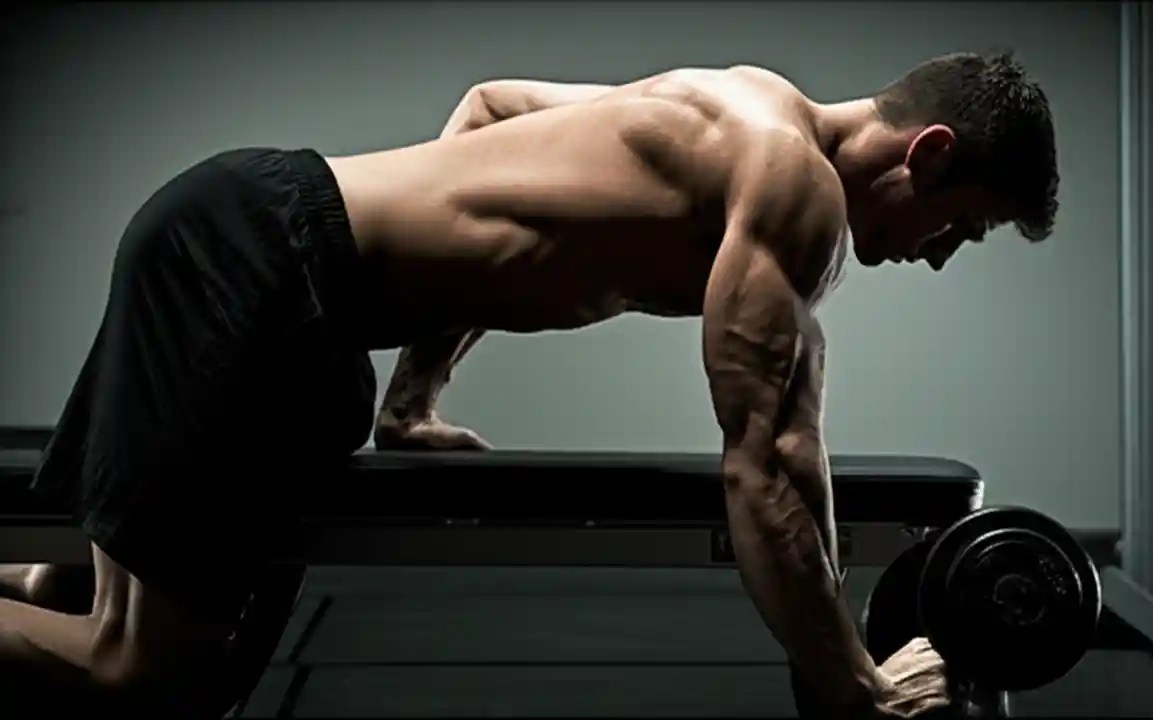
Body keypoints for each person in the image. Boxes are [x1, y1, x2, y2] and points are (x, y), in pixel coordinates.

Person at [0, 49, 1058, 716]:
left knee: (71, 595)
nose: (939, 253)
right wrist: (861, 689)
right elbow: (770, 470)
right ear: (923, 154)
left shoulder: (741, 99)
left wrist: (414, 393)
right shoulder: (796, 195)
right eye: (960, 227)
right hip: (262, 263)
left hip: (263, 246)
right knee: (144, 673)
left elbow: (493, 106)